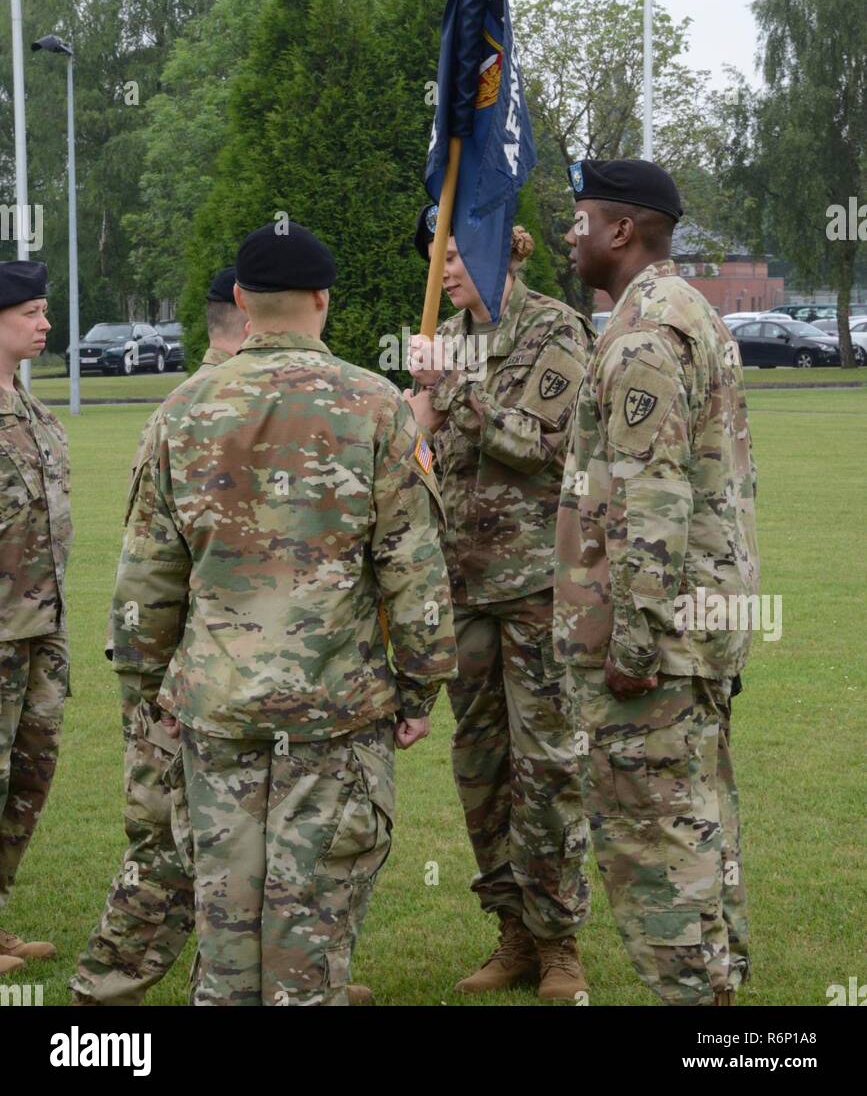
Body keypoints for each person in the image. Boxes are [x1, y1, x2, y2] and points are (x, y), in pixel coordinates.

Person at [110, 222, 457, 1006]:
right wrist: (421, 685)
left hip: (215, 708)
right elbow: (413, 568)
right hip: (334, 711)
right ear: (323, 301)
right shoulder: (376, 407)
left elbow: (146, 580)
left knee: (225, 929)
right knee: (311, 928)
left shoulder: (183, 409)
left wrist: (146, 694)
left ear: (240, 299)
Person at [554, 158, 759, 1007]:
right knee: (696, 815)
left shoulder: (642, 334)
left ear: (620, 231)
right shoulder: (682, 311)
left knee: (650, 840)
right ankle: (715, 989)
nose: (568, 235)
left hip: (656, 641)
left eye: (579, 220)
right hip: (695, 624)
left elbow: (654, 500)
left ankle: (692, 1000)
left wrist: (633, 643)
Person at [406, 207, 594, 1001]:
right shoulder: (440, 338)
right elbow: (429, 466)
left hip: (537, 590)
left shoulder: (555, 331)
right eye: (434, 257)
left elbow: (539, 444)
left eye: (454, 254)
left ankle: (560, 945)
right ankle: (510, 932)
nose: (443, 269)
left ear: (496, 252)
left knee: (546, 766)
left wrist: (449, 385)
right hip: (463, 589)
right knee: (481, 770)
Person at [69, 267, 247, 1007]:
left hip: (212, 668)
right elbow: (148, 566)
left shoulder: (235, 403)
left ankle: (253, 983)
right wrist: (149, 686)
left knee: (236, 840)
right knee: (168, 842)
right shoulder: (192, 409)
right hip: (177, 669)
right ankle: (101, 1000)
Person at [0, 260, 73, 975]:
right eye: (31, 313)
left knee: (29, 777)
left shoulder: (32, 410)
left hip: (40, 631)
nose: (45, 324)